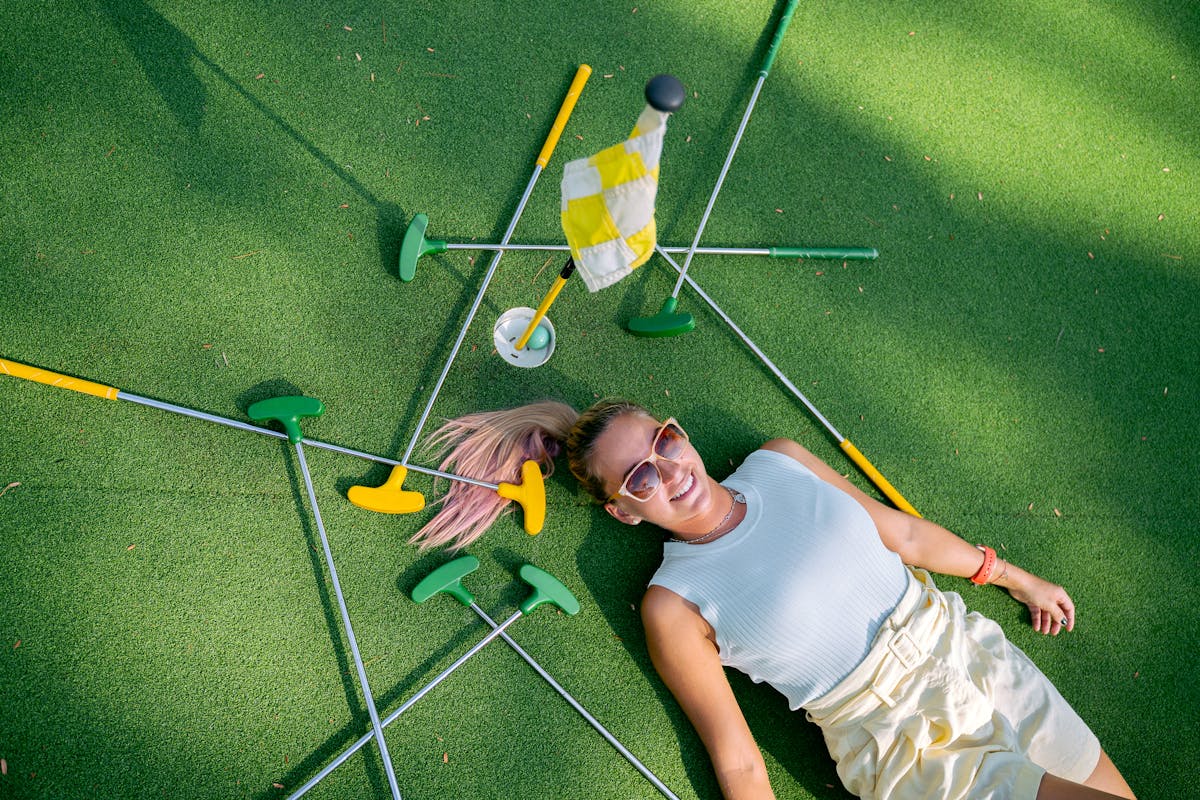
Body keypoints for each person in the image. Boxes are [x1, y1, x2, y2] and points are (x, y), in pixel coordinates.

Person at [411, 399, 1137, 800]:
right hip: (903, 742)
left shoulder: (780, 461)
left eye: (663, 442)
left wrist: (1012, 576)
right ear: (623, 513)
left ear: (679, 431)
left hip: (970, 653)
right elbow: (738, 761)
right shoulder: (673, 604)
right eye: (637, 479)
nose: (667, 471)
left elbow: (908, 537)